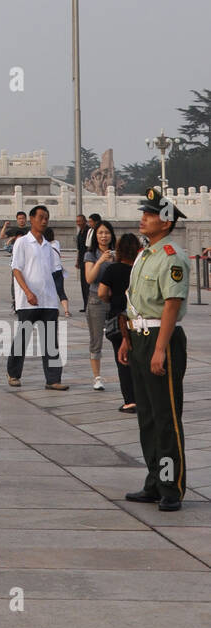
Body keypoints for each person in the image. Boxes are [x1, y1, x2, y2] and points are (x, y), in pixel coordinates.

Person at [120, 190, 189, 511]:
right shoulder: (147, 253)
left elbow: (171, 304)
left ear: (166, 222)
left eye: (150, 214)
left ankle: (171, 487)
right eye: (144, 213)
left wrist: (160, 350)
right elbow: (136, 303)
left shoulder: (172, 255)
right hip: (139, 338)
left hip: (162, 339)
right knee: (146, 416)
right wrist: (126, 339)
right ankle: (154, 481)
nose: (143, 218)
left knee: (165, 416)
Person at [7, 204, 67, 390]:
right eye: (40, 217)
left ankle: (53, 379)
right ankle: (13, 373)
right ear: (31, 219)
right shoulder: (22, 242)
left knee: (50, 341)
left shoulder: (49, 246)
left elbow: (54, 273)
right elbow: (16, 269)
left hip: (48, 300)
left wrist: (59, 298)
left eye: (46, 218)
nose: (44, 221)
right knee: (22, 338)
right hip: (28, 301)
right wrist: (27, 292)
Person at [98, 233, 141, 413]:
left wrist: (113, 299)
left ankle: (130, 401)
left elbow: (101, 293)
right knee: (139, 360)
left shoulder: (112, 269)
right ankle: (143, 398)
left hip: (118, 319)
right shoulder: (140, 270)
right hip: (139, 319)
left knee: (122, 360)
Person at [83, 221, 116, 392]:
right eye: (100, 233)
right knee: (96, 340)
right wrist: (101, 260)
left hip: (115, 300)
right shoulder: (91, 255)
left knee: (121, 337)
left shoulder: (117, 254)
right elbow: (89, 278)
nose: (104, 236)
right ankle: (97, 377)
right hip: (96, 300)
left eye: (107, 232)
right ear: (95, 236)